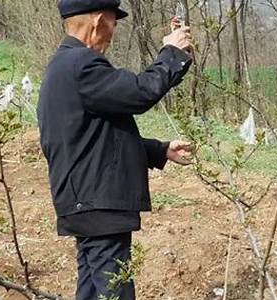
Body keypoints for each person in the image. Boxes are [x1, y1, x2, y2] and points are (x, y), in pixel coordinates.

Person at [37, 0, 194, 299]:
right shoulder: (81, 65)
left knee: (92, 291)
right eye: (114, 23)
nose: (114, 32)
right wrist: (172, 52)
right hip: (99, 207)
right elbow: (139, 92)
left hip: (85, 205)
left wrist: (160, 151)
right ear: (98, 22)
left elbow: (92, 138)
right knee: (114, 292)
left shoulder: (61, 67)